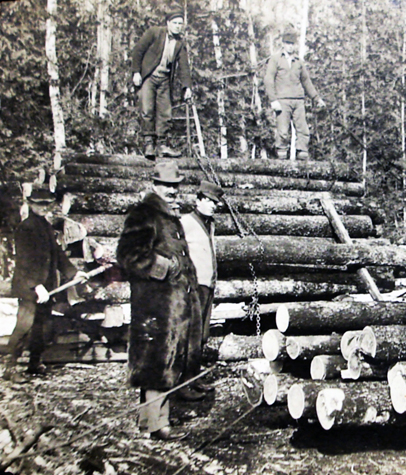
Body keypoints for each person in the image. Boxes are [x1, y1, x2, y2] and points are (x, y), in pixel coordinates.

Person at [116, 161, 201, 441]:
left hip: (170, 304)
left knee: (161, 359)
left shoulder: (168, 215)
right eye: (167, 186)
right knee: (158, 361)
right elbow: (128, 255)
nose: (173, 191)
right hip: (155, 305)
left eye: (176, 186)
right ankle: (158, 425)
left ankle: (147, 421)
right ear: (155, 186)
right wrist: (163, 267)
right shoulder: (144, 214)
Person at [3, 189, 88, 383]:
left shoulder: (46, 226)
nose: (43, 208)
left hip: (47, 288)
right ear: (31, 204)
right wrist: (36, 285)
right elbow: (24, 261)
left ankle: (35, 362)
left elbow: (57, 255)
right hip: (29, 286)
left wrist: (74, 272)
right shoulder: (26, 228)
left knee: (42, 327)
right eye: (39, 204)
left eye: (47, 204)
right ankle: (11, 366)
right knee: (25, 325)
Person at [131, 5, 193, 160]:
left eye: (180, 24)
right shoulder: (155, 33)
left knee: (165, 113)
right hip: (149, 77)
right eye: (175, 23)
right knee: (147, 110)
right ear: (168, 23)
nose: (178, 26)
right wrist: (136, 72)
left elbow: (184, 66)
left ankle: (162, 145)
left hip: (164, 80)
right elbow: (138, 50)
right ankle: (148, 144)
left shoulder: (180, 43)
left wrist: (187, 87)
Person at [180, 180, 224, 394]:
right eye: (208, 201)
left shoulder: (210, 223)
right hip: (193, 286)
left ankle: (194, 378)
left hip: (208, 285)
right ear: (198, 200)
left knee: (202, 335)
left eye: (215, 202)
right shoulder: (185, 222)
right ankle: (183, 385)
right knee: (191, 335)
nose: (212, 205)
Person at [264, 31, 325, 160]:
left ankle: (302, 155)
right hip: (282, 101)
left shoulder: (299, 62)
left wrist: (316, 98)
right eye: (288, 43)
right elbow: (269, 79)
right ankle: (281, 158)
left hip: (298, 100)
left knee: (303, 130)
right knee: (283, 132)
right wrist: (273, 100)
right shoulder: (275, 60)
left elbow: (306, 81)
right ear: (283, 44)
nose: (290, 46)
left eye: (292, 44)